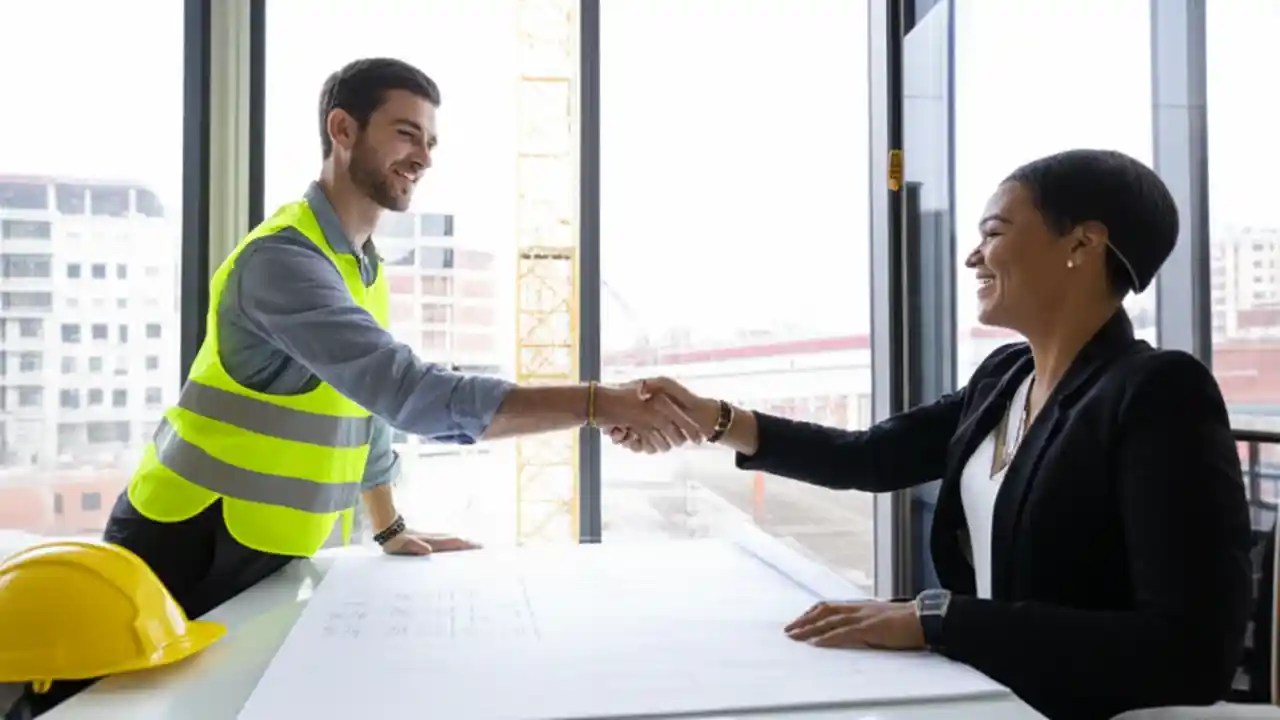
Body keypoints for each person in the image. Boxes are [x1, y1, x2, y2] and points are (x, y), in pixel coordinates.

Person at [608, 149, 1252, 720]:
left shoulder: (1158, 392)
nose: (973, 256)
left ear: (1081, 246)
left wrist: (936, 619)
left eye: (994, 233)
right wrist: (711, 419)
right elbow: (870, 457)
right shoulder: (1005, 377)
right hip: (989, 694)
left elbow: (1191, 651)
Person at [98, 57, 703, 624]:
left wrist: (387, 527)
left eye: (431, 143)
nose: (424, 159)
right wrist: (596, 403)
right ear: (342, 129)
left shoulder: (359, 265)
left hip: (262, 547)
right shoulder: (283, 261)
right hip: (184, 542)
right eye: (407, 135)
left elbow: (365, 411)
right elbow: (410, 395)